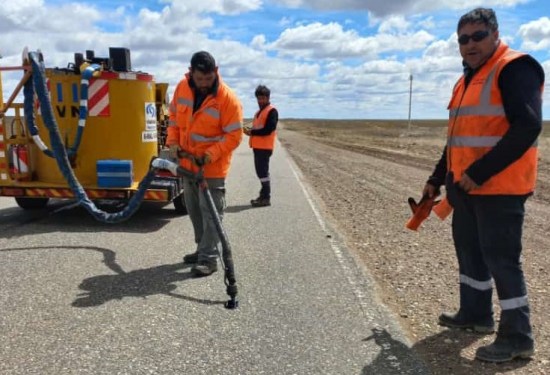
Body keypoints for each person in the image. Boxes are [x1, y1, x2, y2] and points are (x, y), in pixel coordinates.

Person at [421, 8, 544, 363]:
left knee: (502, 262)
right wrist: (435, 179)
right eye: (463, 39)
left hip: (500, 189)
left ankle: (518, 337)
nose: (470, 44)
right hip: (465, 189)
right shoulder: (466, 80)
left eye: (477, 36)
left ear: (495, 33)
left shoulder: (514, 68)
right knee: (470, 253)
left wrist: (482, 172)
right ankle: (476, 315)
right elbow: (457, 139)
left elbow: (528, 126)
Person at [166, 51, 243, 277]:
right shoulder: (182, 87)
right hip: (187, 164)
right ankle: (202, 248)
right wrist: (172, 142)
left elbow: (234, 136)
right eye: (199, 79)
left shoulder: (227, 99)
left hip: (212, 166)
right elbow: (173, 119)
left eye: (208, 80)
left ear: (215, 72)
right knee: (193, 209)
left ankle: (209, 258)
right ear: (191, 73)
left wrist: (210, 154)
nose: (203, 84)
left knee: (211, 212)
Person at [243, 85, 278, 207]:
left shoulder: (272, 111)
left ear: (268, 98)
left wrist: (252, 132)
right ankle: (263, 196)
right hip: (258, 146)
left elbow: (269, 129)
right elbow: (259, 128)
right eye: (259, 98)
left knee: (262, 173)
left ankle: (266, 198)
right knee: (261, 172)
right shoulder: (259, 112)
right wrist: (249, 130)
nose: (261, 101)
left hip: (265, 147)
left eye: (263, 98)